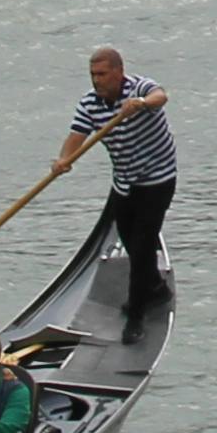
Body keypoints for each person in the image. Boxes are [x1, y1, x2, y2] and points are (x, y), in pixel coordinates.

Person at [61, 49, 175, 310]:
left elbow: (161, 96)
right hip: (124, 181)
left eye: (102, 74)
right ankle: (156, 288)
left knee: (143, 244)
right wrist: (64, 160)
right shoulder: (90, 103)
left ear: (118, 72)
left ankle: (135, 310)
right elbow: (76, 135)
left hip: (158, 179)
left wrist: (142, 104)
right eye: (93, 75)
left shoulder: (139, 88)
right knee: (129, 238)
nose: (96, 80)